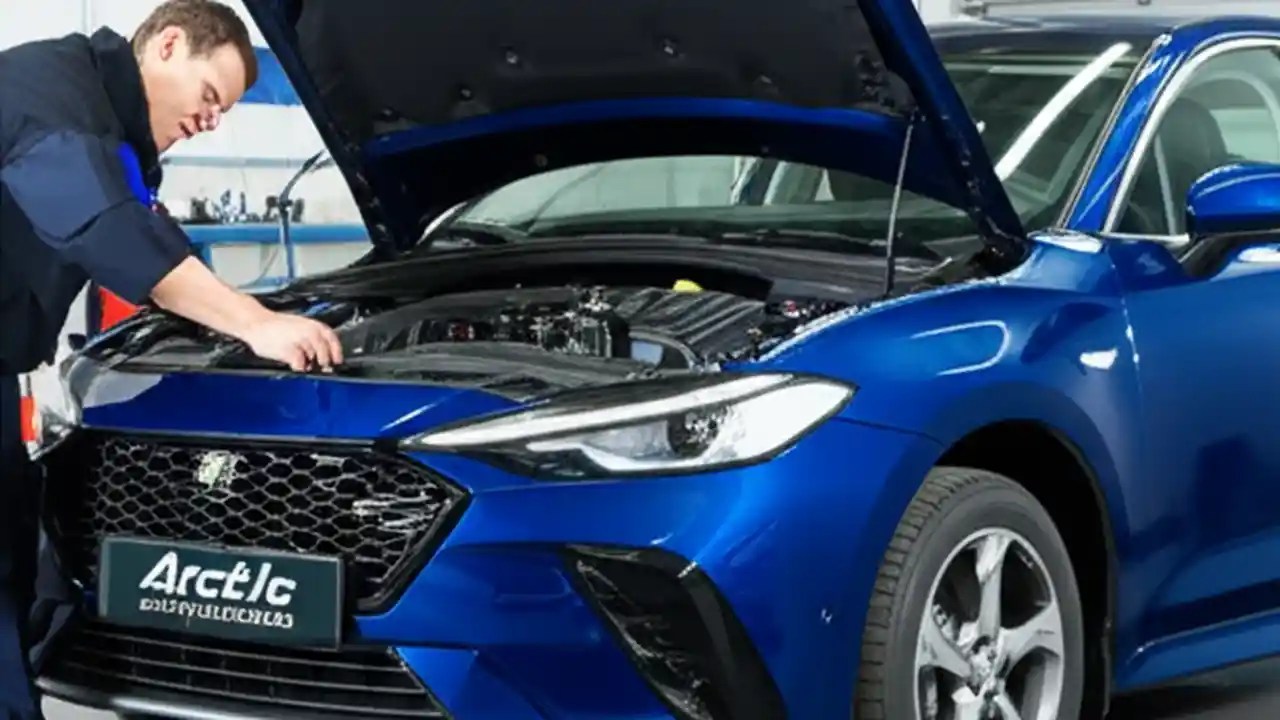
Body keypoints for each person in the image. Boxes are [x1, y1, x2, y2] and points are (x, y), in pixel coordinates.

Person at [0, 1, 344, 715]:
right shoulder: (50, 93)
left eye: (224, 111)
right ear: (167, 44)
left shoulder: (113, 135)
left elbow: (145, 227)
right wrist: (254, 324)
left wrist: (240, 316)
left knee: (12, 554)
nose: (211, 121)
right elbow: (109, 228)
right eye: (210, 95)